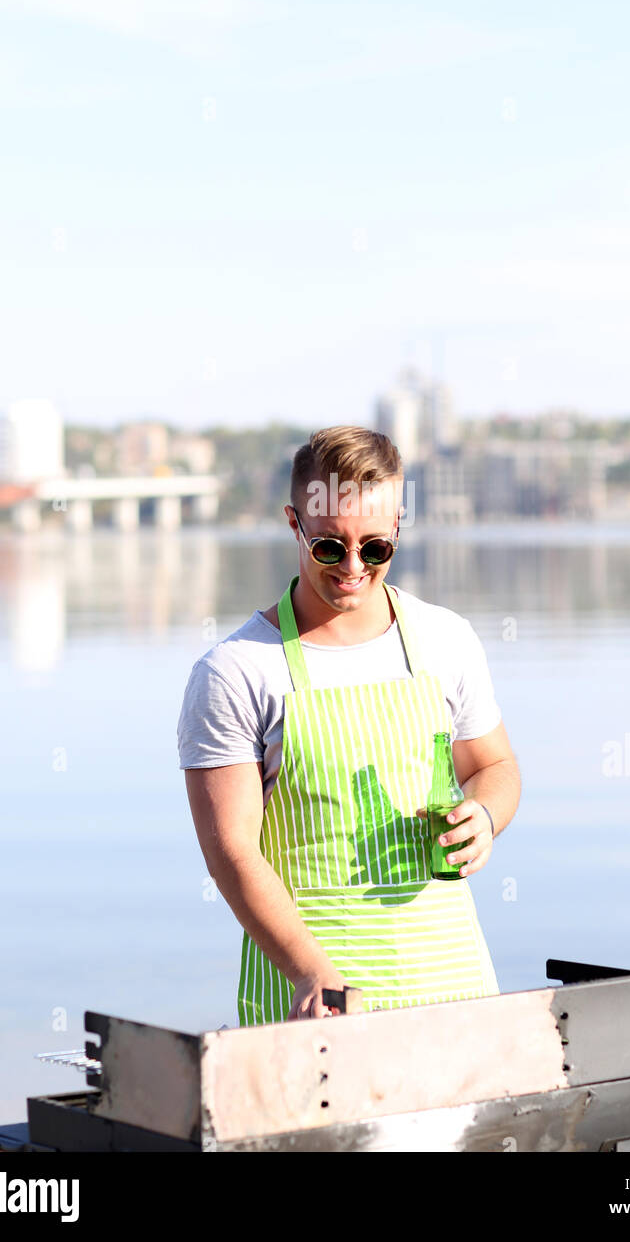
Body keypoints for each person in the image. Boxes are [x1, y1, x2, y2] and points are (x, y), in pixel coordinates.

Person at [179, 426, 520, 1024]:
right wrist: (313, 970)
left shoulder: (446, 640)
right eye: (330, 547)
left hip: (450, 983)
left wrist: (485, 817)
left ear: (397, 530)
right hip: (311, 1001)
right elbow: (231, 852)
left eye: (376, 548)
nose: (353, 568)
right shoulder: (234, 672)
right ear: (294, 525)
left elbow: (494, 766)